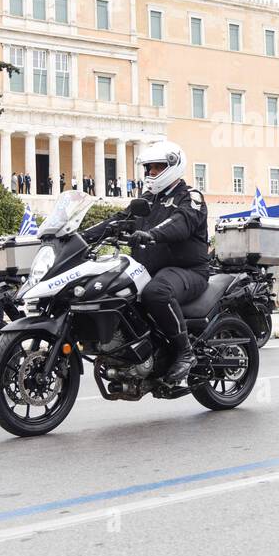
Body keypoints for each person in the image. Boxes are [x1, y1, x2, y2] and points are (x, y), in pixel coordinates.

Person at [83, 141, 209, 383]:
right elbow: (118, 220)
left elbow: (180, 223)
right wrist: (80, 237)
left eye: (157, 167)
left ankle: (185, 352)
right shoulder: (147, 200)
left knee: (156, 292)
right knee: (111, 291)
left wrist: (152, 234)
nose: (151, 173)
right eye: (149, 168)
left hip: (188, 271)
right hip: (148, 269)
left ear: (172, 167)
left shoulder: (190, 197)